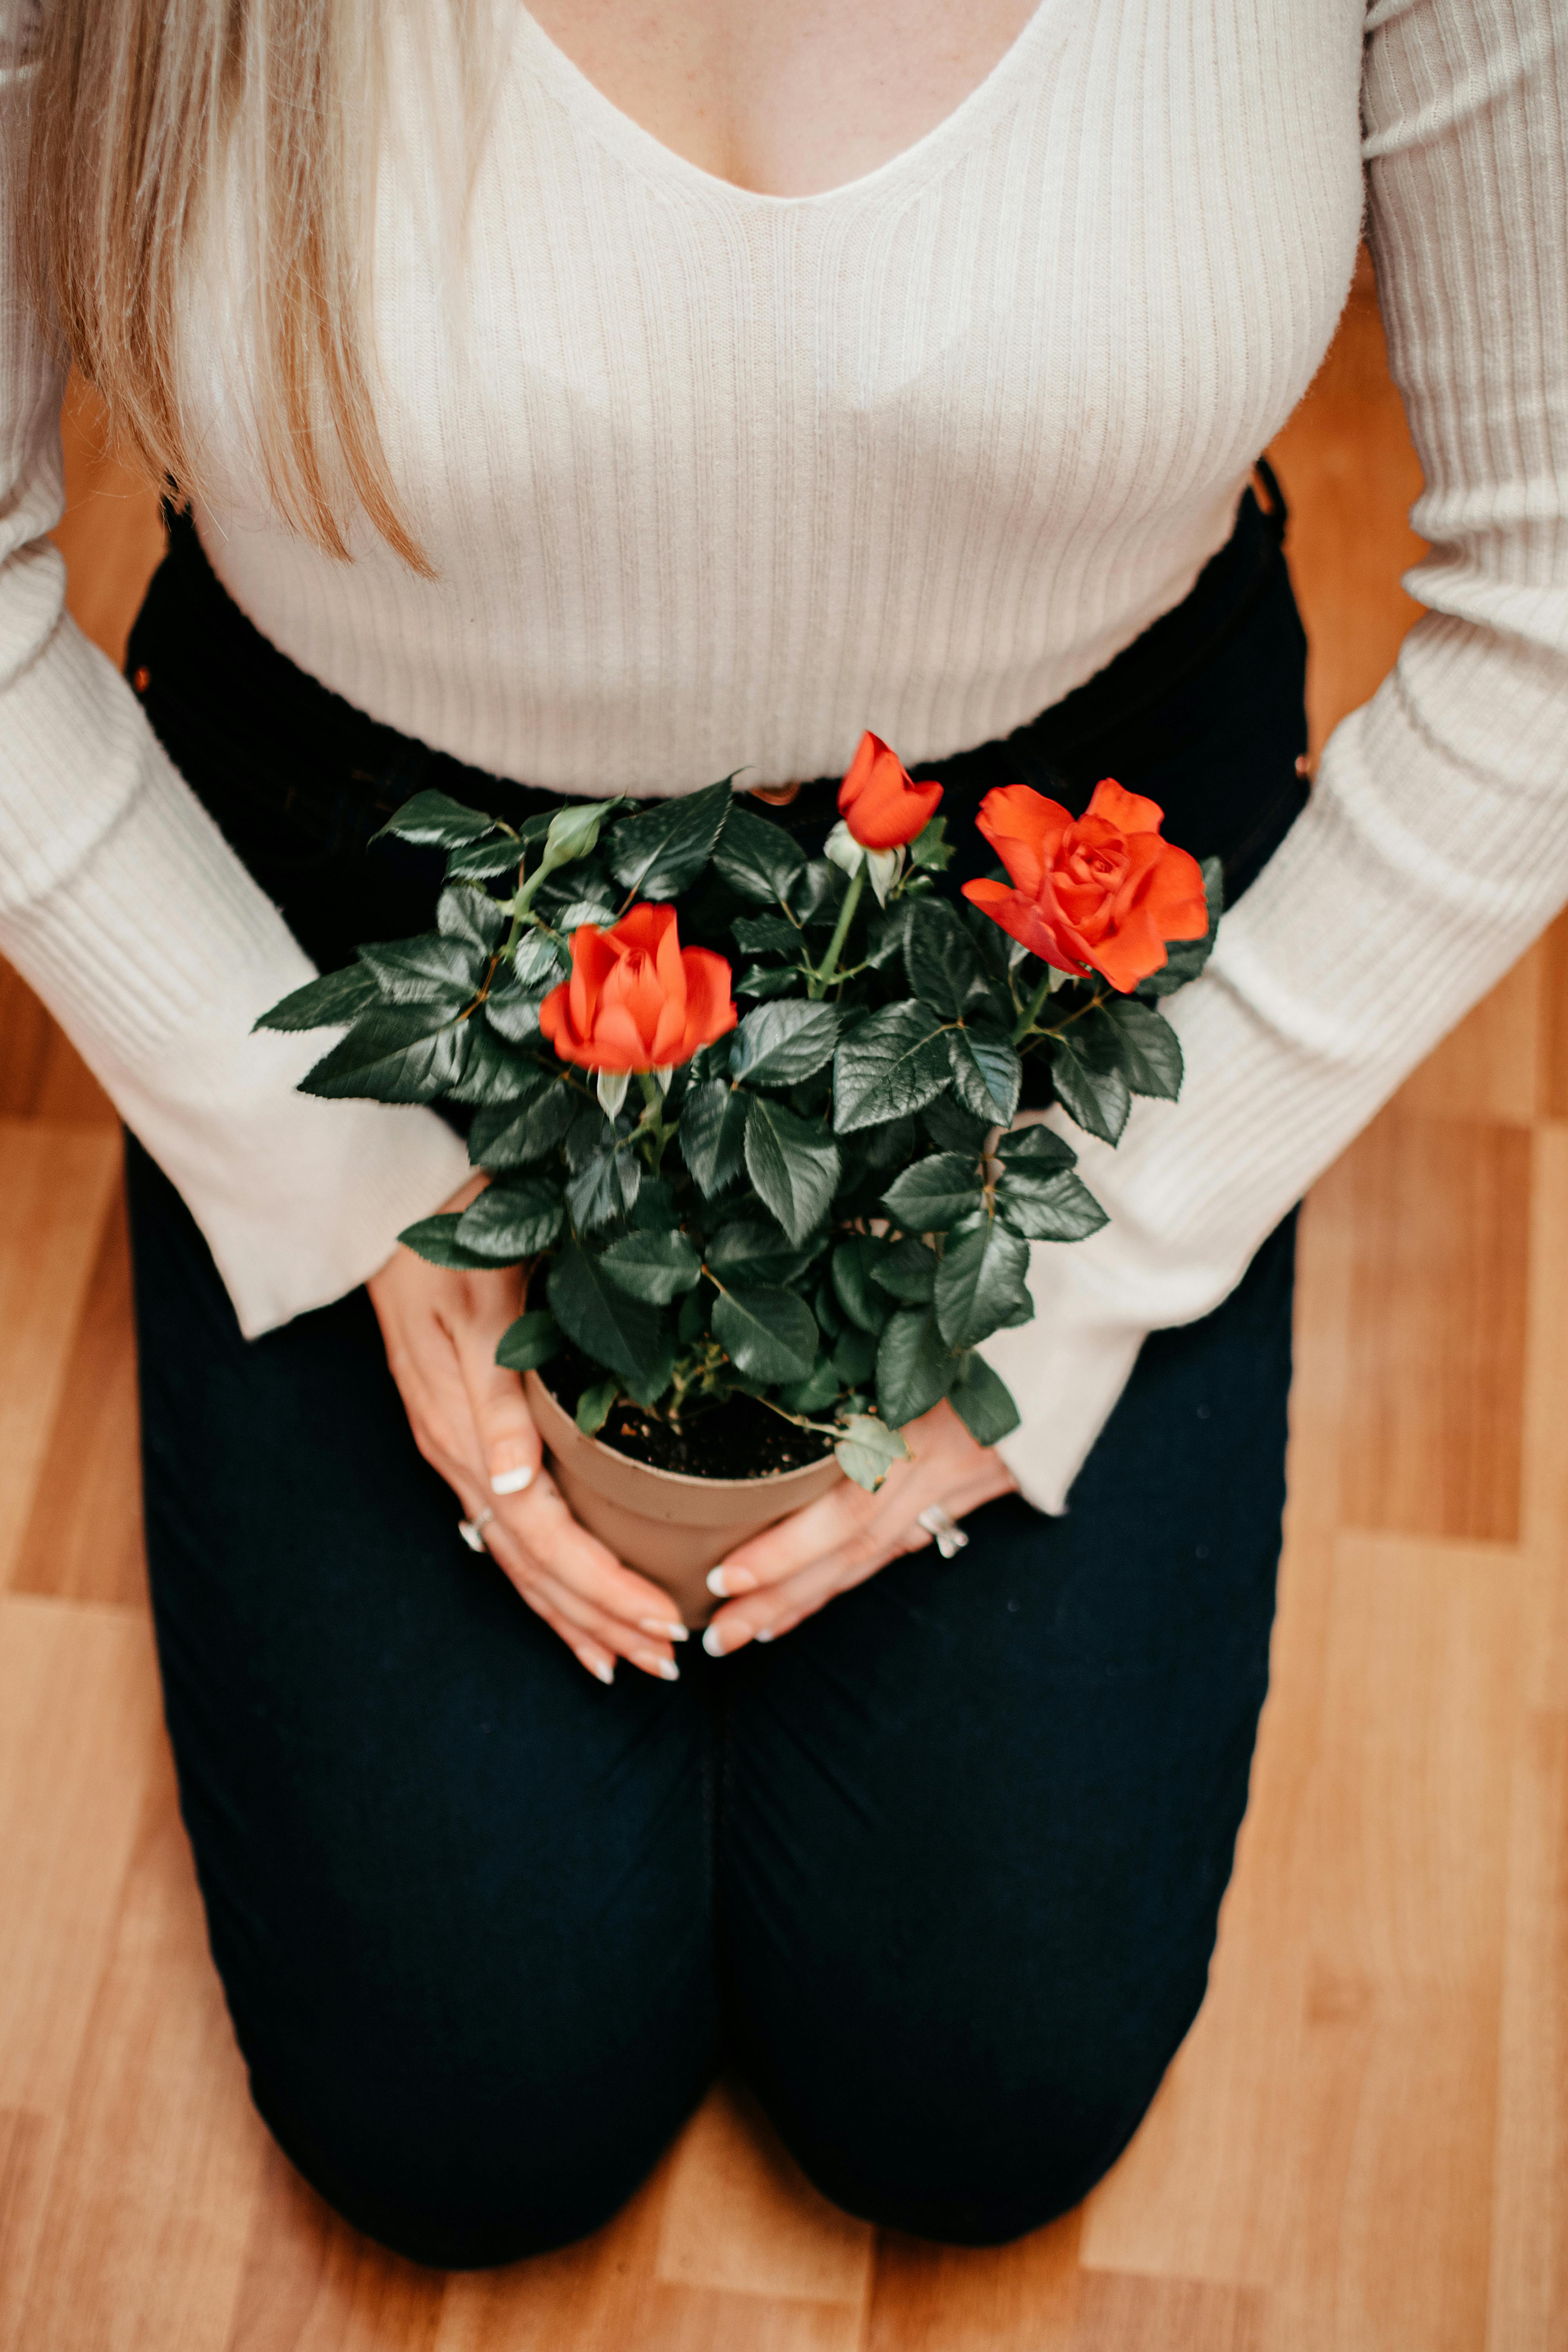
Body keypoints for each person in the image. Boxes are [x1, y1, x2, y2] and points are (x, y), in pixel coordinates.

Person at [2, 0, 1563, 2271]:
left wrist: (1117, 1236)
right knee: (467, 2109)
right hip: (383, 917)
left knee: (975, 2090)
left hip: (1054, 896)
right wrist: (302, 1140)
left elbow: (1548, 610)